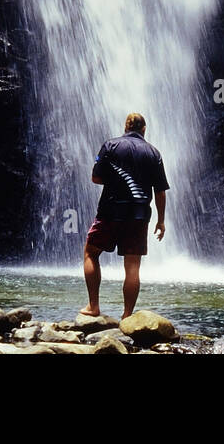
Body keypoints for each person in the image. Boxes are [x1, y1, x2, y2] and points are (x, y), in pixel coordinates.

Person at [82, 112, 169, 320]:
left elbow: (96, 178)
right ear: (144, 129)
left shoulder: (110, 145)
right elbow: (160, 190)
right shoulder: (154, 152)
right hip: (139, 215)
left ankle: (93, 306)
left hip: (110, 210)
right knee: (132, 265)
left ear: (125, 126)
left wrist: (115, 181)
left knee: (91, 252)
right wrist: (161, 220)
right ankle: (128, 316)